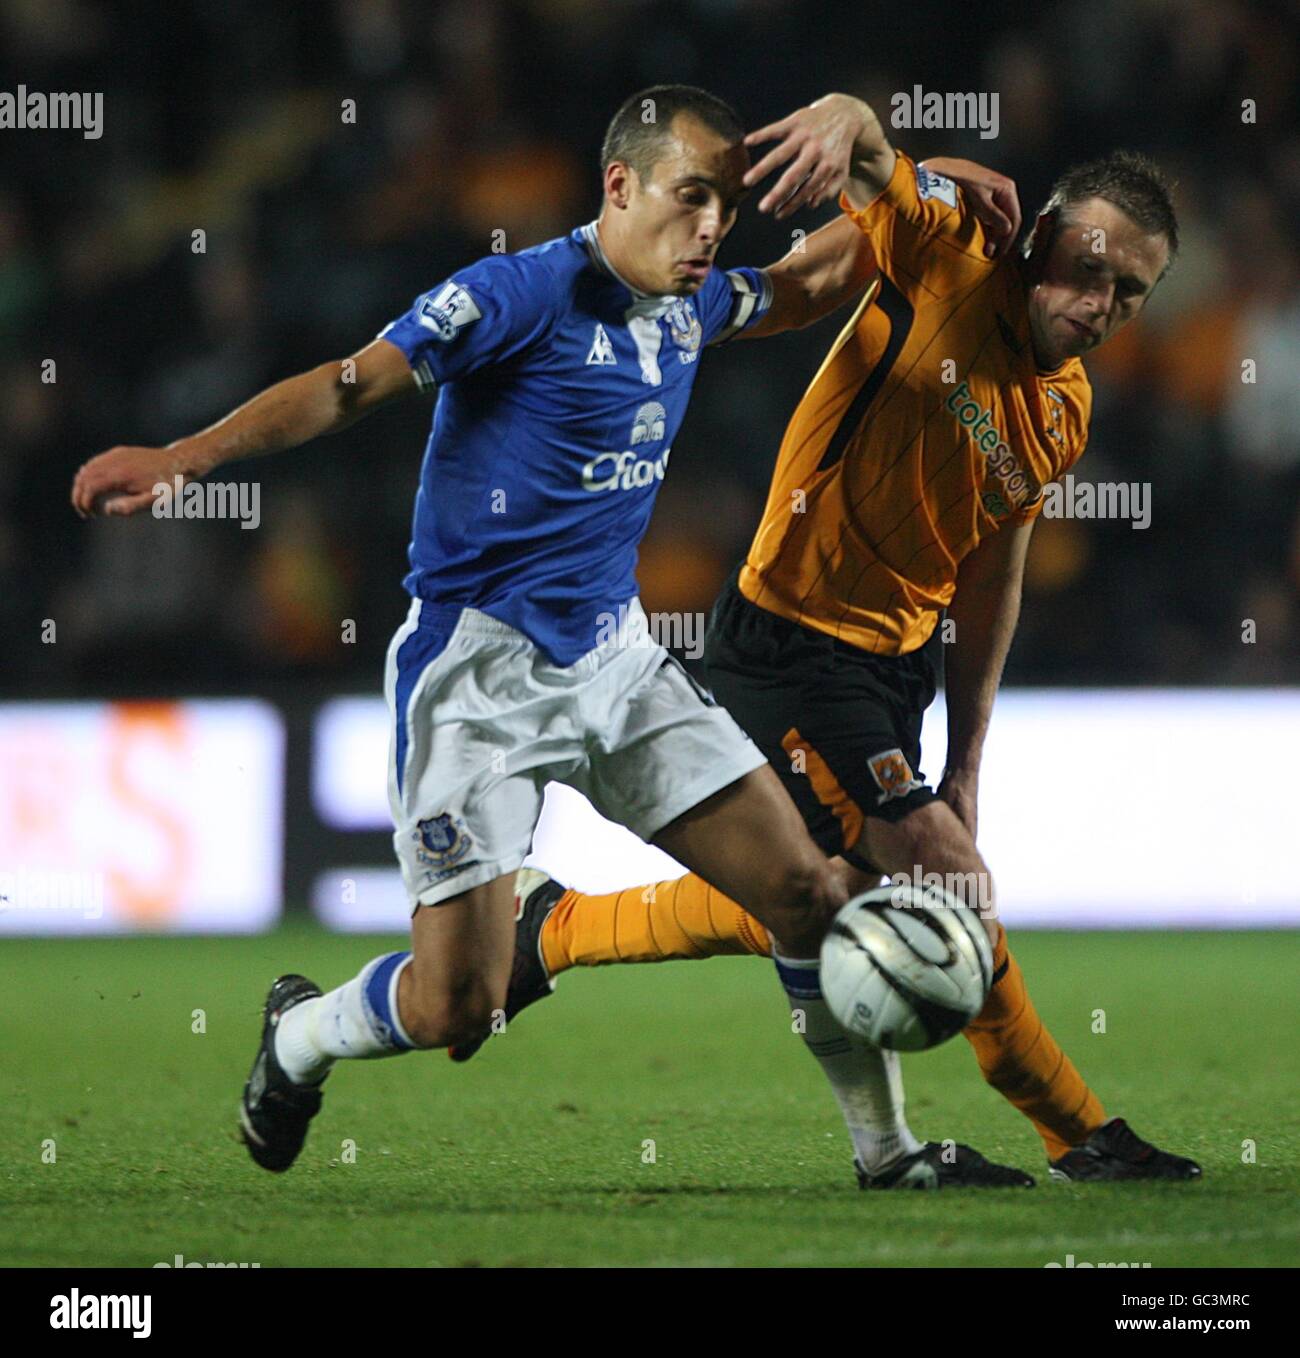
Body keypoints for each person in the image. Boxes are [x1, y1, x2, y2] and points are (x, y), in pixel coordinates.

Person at [70, 85, 1024, 1181]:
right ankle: (298, 1035)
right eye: (692, 196)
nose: (712, 226)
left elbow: (811, 281)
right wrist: (182, 458)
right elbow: (344, 388)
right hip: (477, 678)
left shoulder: (691, 301)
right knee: (458, 1005)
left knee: (806, 889)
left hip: (618, 663)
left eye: (726, 205)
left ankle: (887, 1152)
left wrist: (919, 182)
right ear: (618, 185)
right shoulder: (514, 295)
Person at [450, 92, 1202, 1187]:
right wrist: (851, 114)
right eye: (1087, 271)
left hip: (894, 670)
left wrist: (968, 761)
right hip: (791, 641)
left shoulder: (1065, 410)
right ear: (1038, 236)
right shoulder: (948, 256)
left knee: (821, 893)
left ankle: (552, 932)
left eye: (1127, 292)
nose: (1098, 304)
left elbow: (991, 578)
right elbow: (871, 163)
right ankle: (1077, 1130)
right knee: (946, 880)